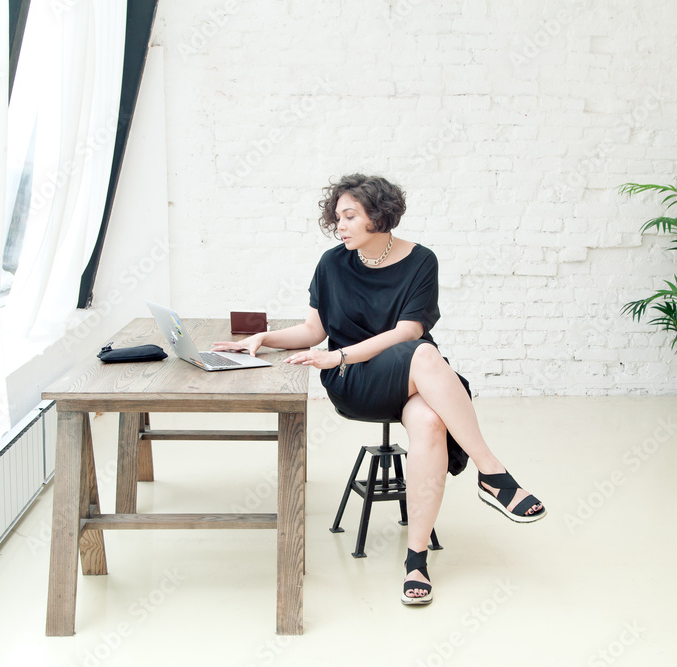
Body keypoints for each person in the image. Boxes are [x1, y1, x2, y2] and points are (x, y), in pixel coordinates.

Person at [212, 174, 545, 606]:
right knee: (425, 356)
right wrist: (262, 338)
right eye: (338, 218)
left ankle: (416, 558)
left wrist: (342, 353)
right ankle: (492, 474)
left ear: (379, 215)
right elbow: (314, 330)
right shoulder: (332, 264)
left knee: (428, 418)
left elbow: (409, 330)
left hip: (408, 375)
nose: (341, 226)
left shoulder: (422, 260)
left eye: (350, 216)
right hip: (355, 381)